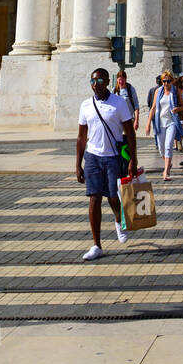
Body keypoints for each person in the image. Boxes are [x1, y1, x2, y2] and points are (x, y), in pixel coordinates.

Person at [76, 68, 138, 261]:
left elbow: (130, 132)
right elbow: (81, 137)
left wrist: (133, 160)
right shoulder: (86, 105)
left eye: (100, 80)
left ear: (107, 82)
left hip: (113, 157)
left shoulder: (118, 103)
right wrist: (78, 164)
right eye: (92, 81)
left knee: (113, 196)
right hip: (93, 157)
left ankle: (119, 219)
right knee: (94, 199)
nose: (95, 84)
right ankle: (96, 245)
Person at [147, 71, 183, 181]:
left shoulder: (175, 91)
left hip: (172, 122)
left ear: (172, 81)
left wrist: (177, 109)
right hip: (160, 123)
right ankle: (167, 163)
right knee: (161, 148)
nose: (166, 83)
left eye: (168, 81)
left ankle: (166, 171)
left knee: (168, 145)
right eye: (164, 81)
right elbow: (153, 107)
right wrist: (148, 123)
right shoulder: (158, 91)